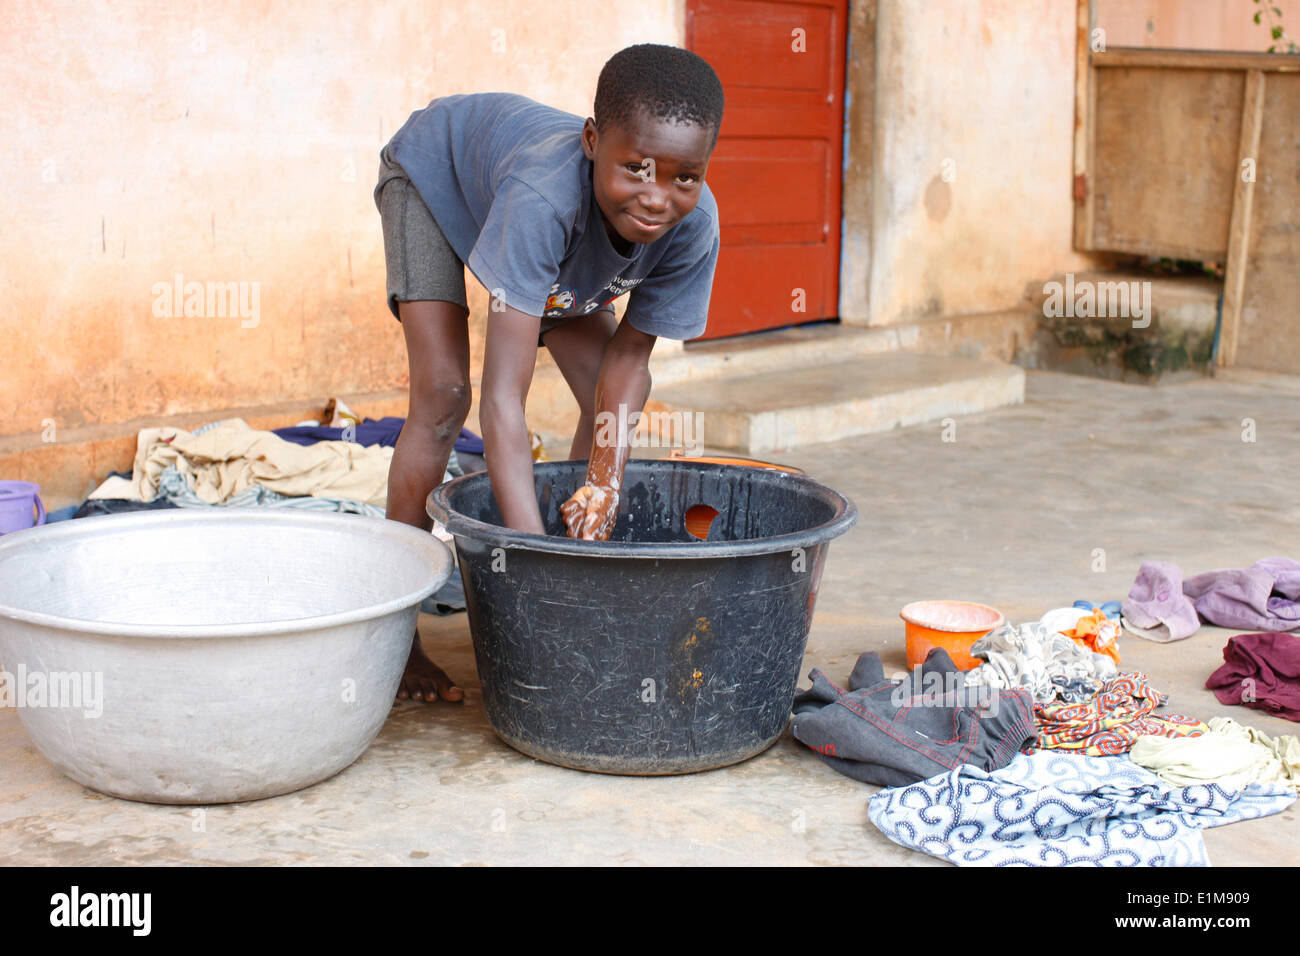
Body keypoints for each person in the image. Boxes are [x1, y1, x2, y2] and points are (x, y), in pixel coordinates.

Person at [374, 43, 724, 702]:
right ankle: (395, 635)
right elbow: (501, 400)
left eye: (685, 176)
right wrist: (533, 569)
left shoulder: (693, 227)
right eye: (637, 168)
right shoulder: (543, 196)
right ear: (593, 141)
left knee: (604, 412)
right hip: (433, 179)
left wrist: (605, 484)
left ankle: (571, 554)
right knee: (444, 393)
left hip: (550, 237)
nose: (657, 198)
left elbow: (628, 361)